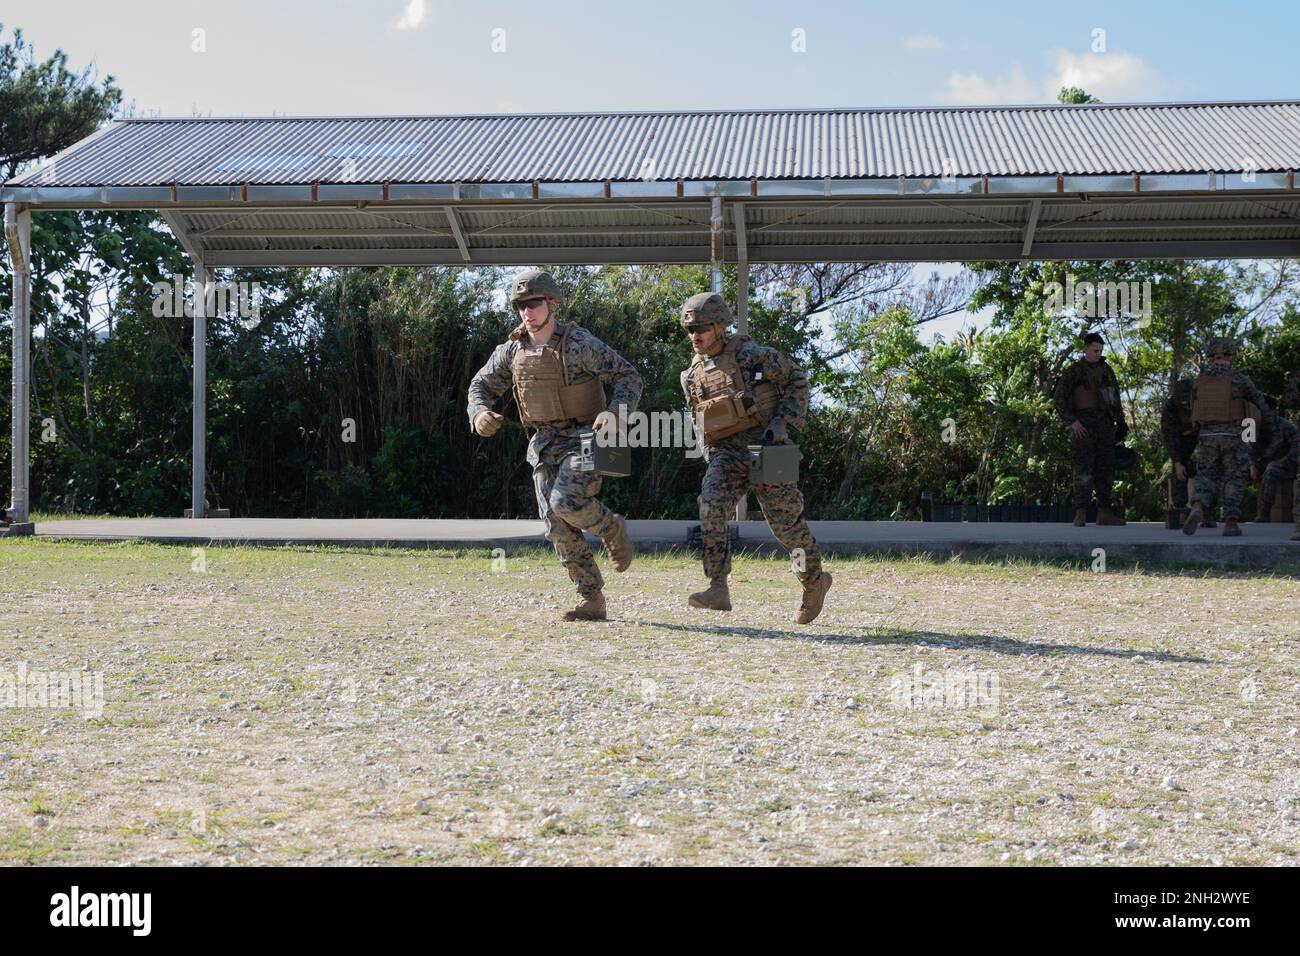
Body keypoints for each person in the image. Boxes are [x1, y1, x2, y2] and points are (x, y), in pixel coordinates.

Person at [467, 270, 642, 621]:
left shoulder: (579, 344)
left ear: (551, 303)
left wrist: (614, 413)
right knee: (555, 524)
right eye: (520, 306)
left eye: (534, 304)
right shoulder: (512, 351)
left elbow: (629, 376)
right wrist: (478, 413)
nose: (527, 312)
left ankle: (611, 527)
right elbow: (479, 385)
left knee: (566, 501)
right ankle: (591, 599)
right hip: (545, 442)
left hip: (587, 439)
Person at [678, 292, 831, 624]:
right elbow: (696, 416)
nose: (695, 336)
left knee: (786, 527)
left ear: (720, 326)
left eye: (701, 328)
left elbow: (797, 379)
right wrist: (709, 453)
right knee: (711, 506)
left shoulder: (754, 356)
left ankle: (814, 581)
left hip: (767, 447)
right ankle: (717, 587)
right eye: (690, 330)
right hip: (726, 453)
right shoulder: (691, 374)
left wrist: (782, 424)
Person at [1183, 337, 1276, 536]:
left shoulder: (1200, 381)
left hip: (1207, 435)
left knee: (1205, 475)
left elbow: (1193, 408)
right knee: (1234, 477)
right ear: (1231, 356)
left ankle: (1198, 506)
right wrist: (1270, 426)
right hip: (1232, 435)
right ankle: (1231, 522)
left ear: (1211, 357)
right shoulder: (1239, 379)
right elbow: (1260, 403)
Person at [1052, 332, 1129, 526]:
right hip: (1083, 426)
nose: (1098, 353)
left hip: (1105, 425)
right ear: (1085, 348)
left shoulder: (1106, 370)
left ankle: (1104, 513)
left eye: (1101, 350)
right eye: (1095, 350)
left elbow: (1115, 396)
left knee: (1106, 469)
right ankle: (1080, 513)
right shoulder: (1075, 371)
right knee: (1083, 469)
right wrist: (1072, 421)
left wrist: (1121, 423)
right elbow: (1059, 397)